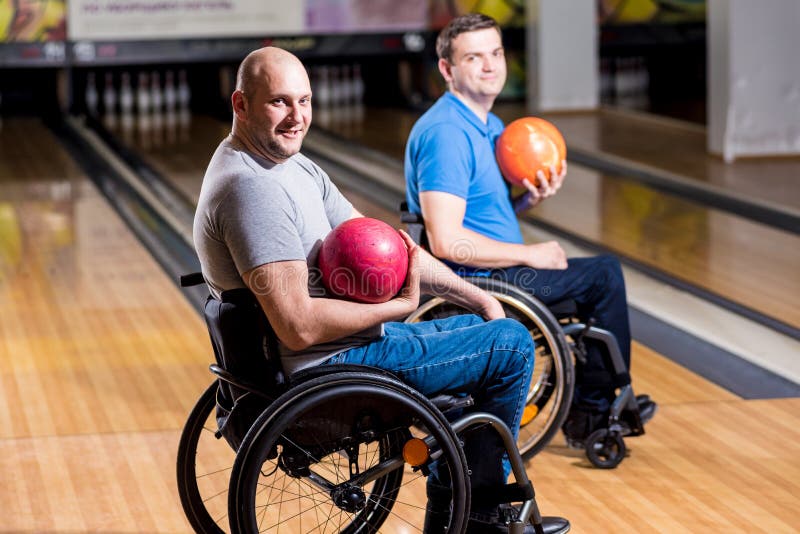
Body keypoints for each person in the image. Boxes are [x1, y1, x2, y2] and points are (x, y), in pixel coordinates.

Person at [193, 46, 569, 533]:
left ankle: (456, 502)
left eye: (304, 101)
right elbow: (299, 327)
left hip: (348, 353)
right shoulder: (253, 189)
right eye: (279, 103)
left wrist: (473, 296)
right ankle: (480, 516)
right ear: (241, 105)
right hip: (327, 369)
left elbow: (396, 251)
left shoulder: (292, 167)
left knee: (481, 327)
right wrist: (400, 306)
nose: (297, 117)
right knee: (512, 344)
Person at [404, 13, 656, 448]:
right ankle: (593, 411)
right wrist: (528, 254)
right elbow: (447, 241)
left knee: (596, 276)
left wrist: (524, 202)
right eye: (474, 57)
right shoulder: (447, 132)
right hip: (475, 282)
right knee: (603, 275)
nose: (490, 66)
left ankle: (592, 404)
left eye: (497, 53)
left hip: (496, 274)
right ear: (447, 70)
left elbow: (477, 214)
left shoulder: (490, 126)